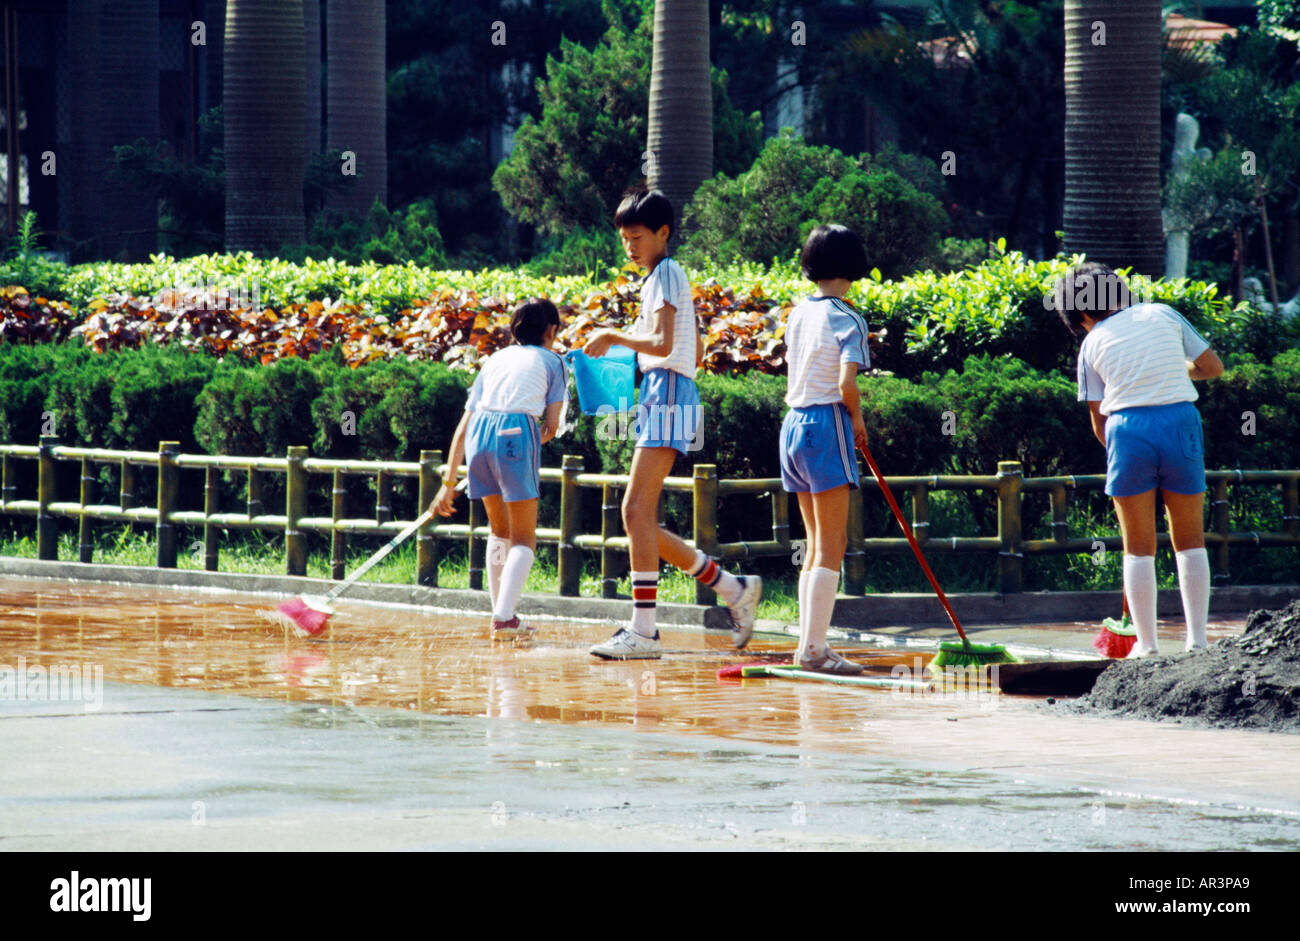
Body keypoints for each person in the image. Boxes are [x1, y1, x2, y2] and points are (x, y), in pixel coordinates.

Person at [582, 187, 761, 659]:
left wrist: (612, 337)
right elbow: (689, 348)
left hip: (668, 390)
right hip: (668, 390)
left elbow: (662, 344)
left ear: (663, 233)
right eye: (623, 238)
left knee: (634, 511)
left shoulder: (665, 273)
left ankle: (646, 631)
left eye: (637, 236)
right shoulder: (667, 276)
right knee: (638, 515)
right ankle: (731, 589)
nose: (629, 247)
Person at [1054, 262, 1224, 657]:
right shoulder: (1163, 313)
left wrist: (1122, 451)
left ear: (1082, 315)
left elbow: (1099, 421)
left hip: (1127, 429)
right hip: (1181, 421)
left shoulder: (1091, 344)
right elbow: (1212, 367)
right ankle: (1197, 642)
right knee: (1190, 540)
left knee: (1138, 547)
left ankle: (1146, 646)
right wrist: (1176, 368)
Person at [430, 298, 567, 636]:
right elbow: (551, 426)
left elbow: (464, 425)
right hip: (516, 432)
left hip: (479, 436)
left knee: (499, 531)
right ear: (551, 330)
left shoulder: (494, 359)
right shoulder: (555, 362)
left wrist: (447, 483)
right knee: (524, 540)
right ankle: (504, 618)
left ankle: (501, 613)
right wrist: (522, 447)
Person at [780, 225, 872, 674]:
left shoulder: (798, 312)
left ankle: (808, 646)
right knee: (832, 542)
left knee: (815, 541)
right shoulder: (848, 317)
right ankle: (814, 651)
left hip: (792, 427)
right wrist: (857, 420)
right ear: (855, 265)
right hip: (825, 423)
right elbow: (845, 385)